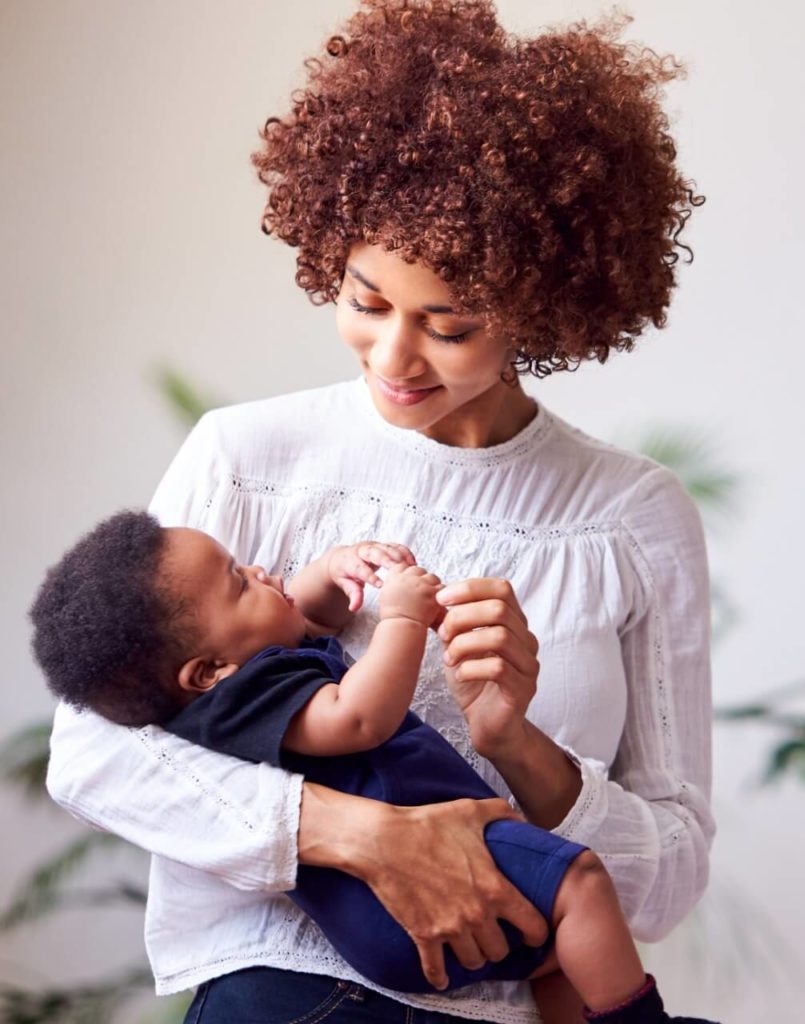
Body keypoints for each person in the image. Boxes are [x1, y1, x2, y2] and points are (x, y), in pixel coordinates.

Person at [43, 2, 714, 1022]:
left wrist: (520, 744)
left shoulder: (632, 517)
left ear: (542, 301)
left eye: (449, 324)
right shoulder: (246, 459)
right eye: (365, 302)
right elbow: (94, 751)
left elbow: (669, 880)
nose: (395, 358)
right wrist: (358, 835)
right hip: (288, 992)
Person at [31, 515, 715, 1024]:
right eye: (240, 581)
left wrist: (334, 570)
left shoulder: (233, 684)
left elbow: (300, 611)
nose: (264, 573)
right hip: (392, 907)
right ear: (209, 672)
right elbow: (358, 718)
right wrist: (402, 618)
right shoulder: (252, 695)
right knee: (582, 881)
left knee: (550, 950)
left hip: (386, 926)